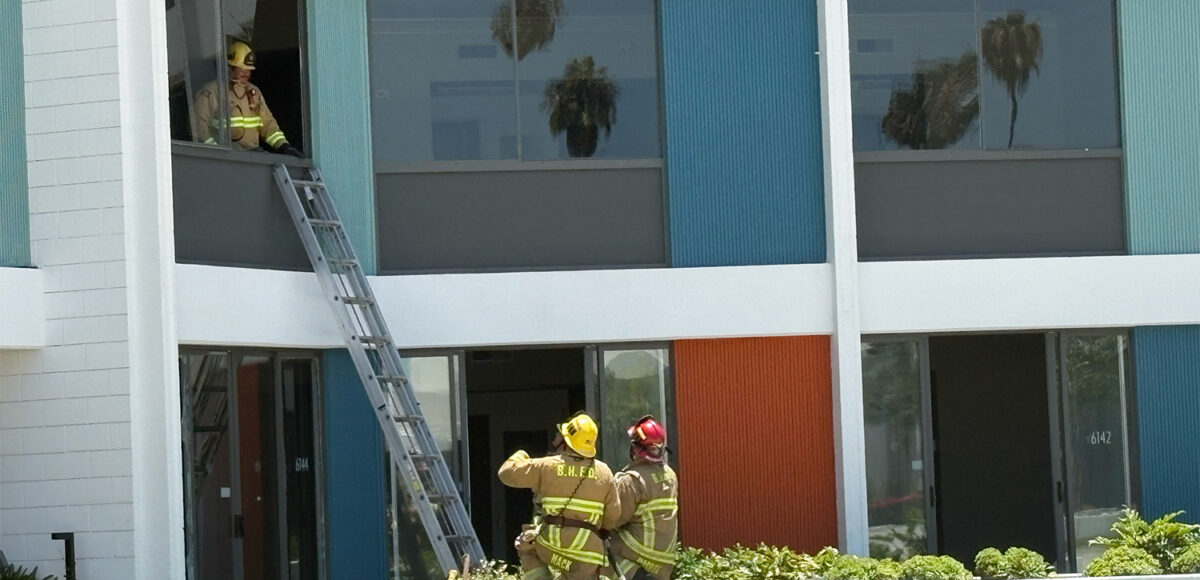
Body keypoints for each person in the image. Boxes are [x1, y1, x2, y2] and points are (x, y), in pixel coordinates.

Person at [498, 412, 622, 580]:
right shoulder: (605, 472)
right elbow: (613, 515)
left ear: (566, 442)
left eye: (560, 436)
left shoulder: (547, 466)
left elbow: (506, 474)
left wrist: (520, 454)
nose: (553, 440)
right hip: (589, 553)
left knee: (524, 543)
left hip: (553, 544)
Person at [193, 40, 300, 155]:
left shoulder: (254, 92)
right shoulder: (211, 92)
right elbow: (199, 127)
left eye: (249, 70)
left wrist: (283, 146)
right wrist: (217, 153)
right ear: (229, 67)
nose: (246, 74)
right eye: (242, 69)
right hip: (225, 161)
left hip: (251, 158)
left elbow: (268, 124)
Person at [604, 415, 679, 580]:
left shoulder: (631, 480)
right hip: (663, 563)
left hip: (636, 556)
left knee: (592, 556)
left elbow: (613, 520)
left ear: (636, 449)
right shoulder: (670, 475)